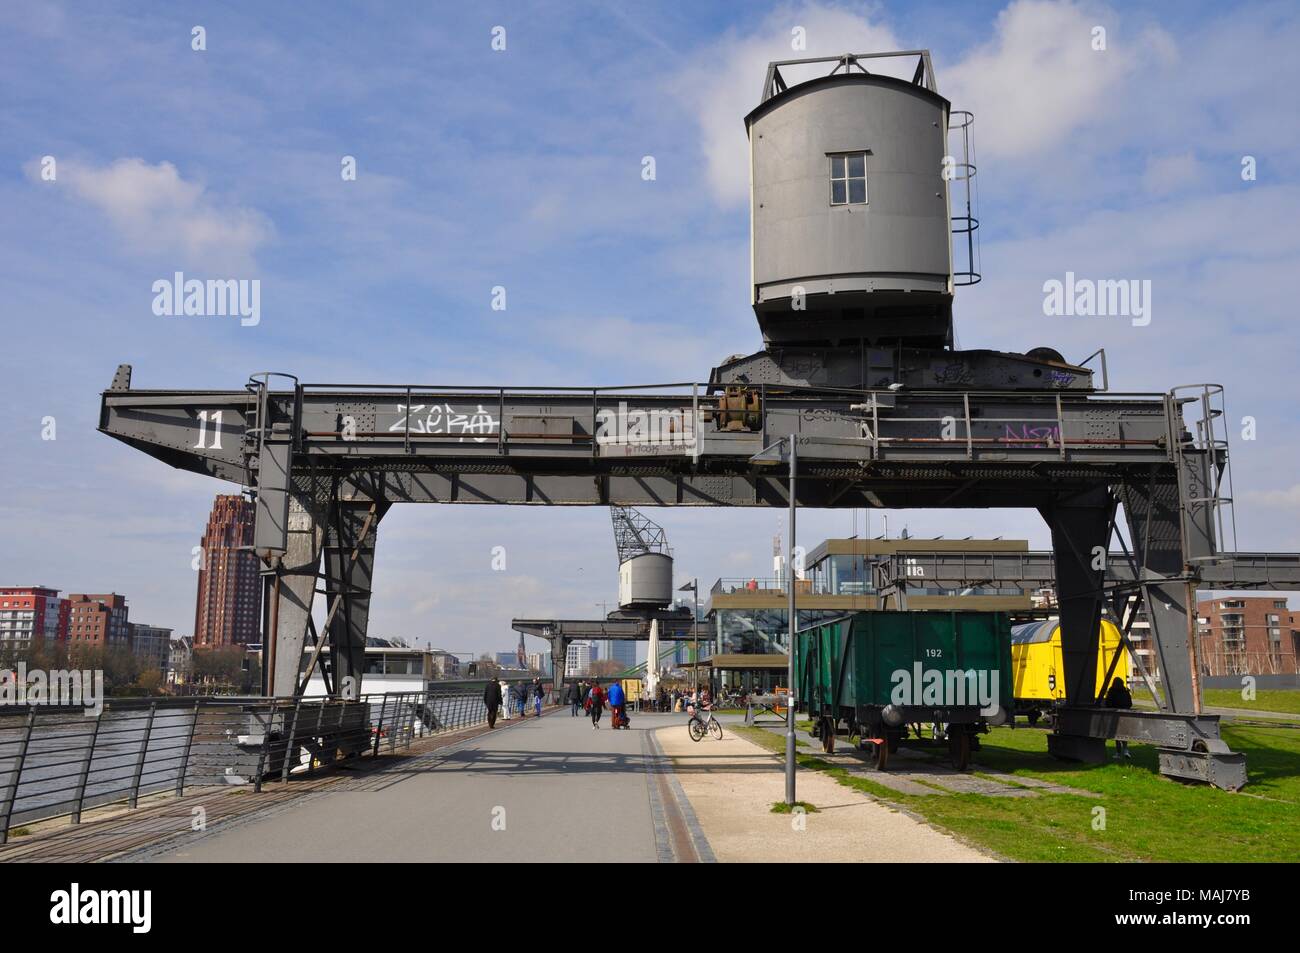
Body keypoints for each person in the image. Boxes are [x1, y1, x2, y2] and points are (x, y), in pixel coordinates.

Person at [1105, 677, 1133, 759]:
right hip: (1124, 714)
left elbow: (1108, 703)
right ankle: (1126, 750)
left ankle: (1118, 753)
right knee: (1124, 733)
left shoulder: (1111, 692)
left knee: (1117, 735)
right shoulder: (1125, 692)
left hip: (1115, 715)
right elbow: (1129, 703)